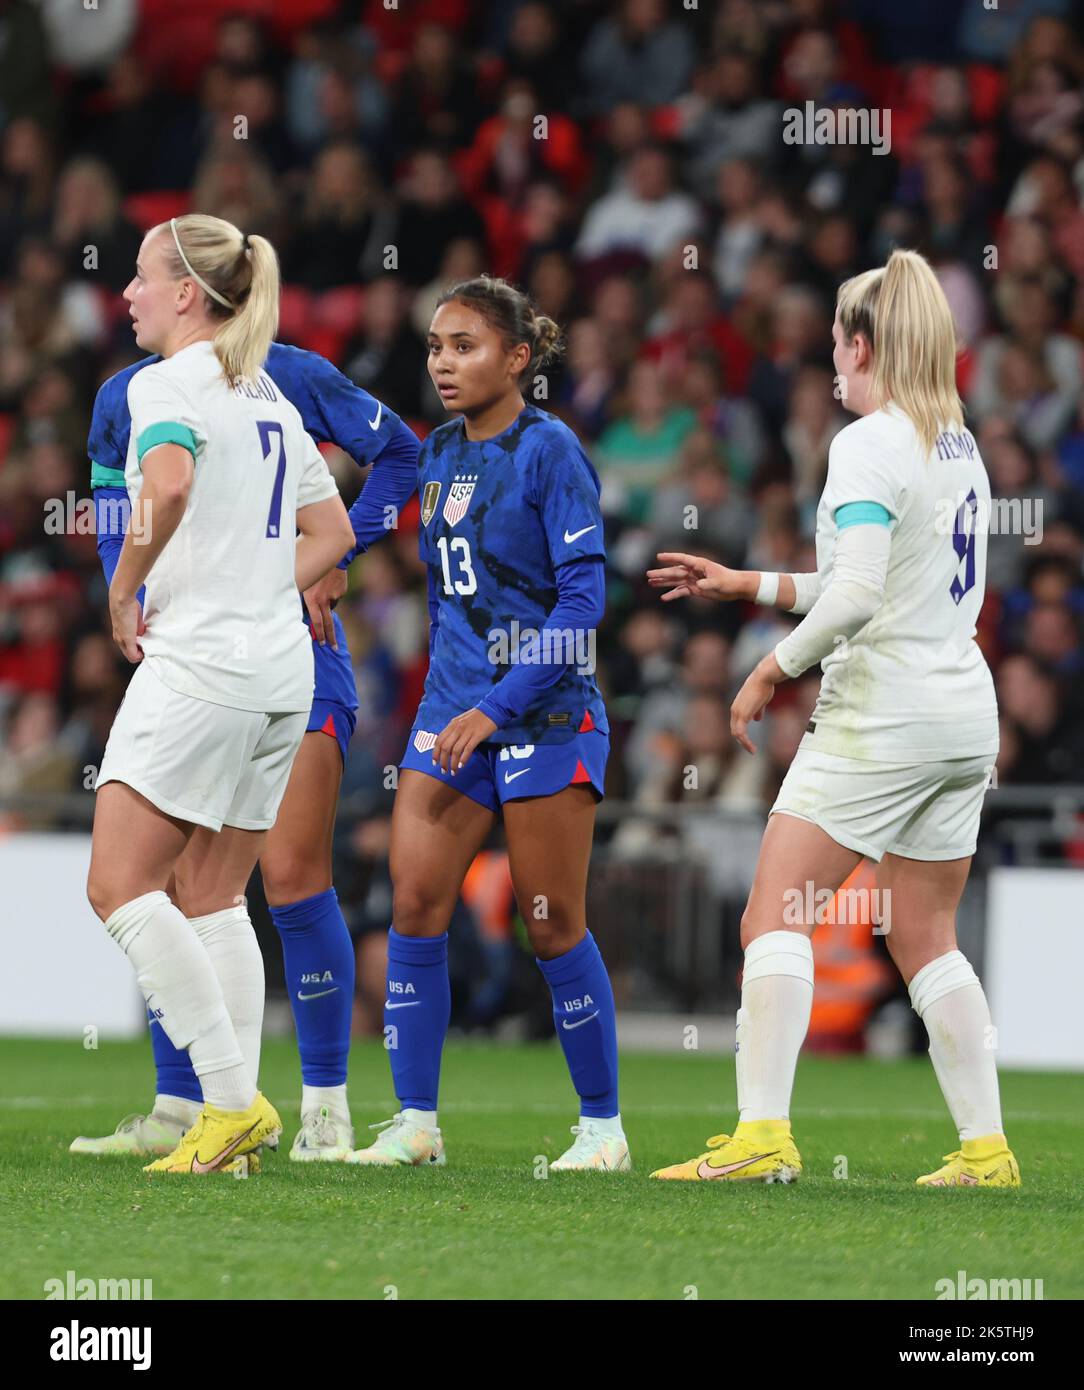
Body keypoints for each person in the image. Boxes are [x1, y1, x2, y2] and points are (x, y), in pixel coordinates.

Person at [646, 249, 1019, 1188]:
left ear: (860, 346)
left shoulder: (865, 443)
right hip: (962, 709)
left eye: (836, 350)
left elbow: (854, 600)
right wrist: (749, 584)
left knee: (774, 914)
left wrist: (768, 669)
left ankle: (763, 1136)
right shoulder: (955, 440)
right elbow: (880, 586)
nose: (831, 368)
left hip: (883, 712)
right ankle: (987, 1150)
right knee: (924, 933)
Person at [74, 325, 419, 1164]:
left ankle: (324, 1104)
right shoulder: (123, 393)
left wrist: (326, 560)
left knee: (290, 877)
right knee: (186, 885)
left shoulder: (286, 373)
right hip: (192, 651)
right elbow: (117, 511)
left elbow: (401, 456)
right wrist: (142, 601)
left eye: (145, 278)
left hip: (291, 648)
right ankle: (184, 1104)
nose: (125, 296)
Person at [345, 276, 628, 1172]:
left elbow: (584, 605)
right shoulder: (433, 454)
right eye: (434, 346)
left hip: (544, 714)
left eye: (463, 345)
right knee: (415, 907)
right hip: (450, 711)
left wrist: (496, 705)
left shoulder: (553, 453)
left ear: (516, 358)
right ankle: (416, 1124)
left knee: (551, 924)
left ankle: (602, 1131)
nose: (442, 362)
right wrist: (326, 564)